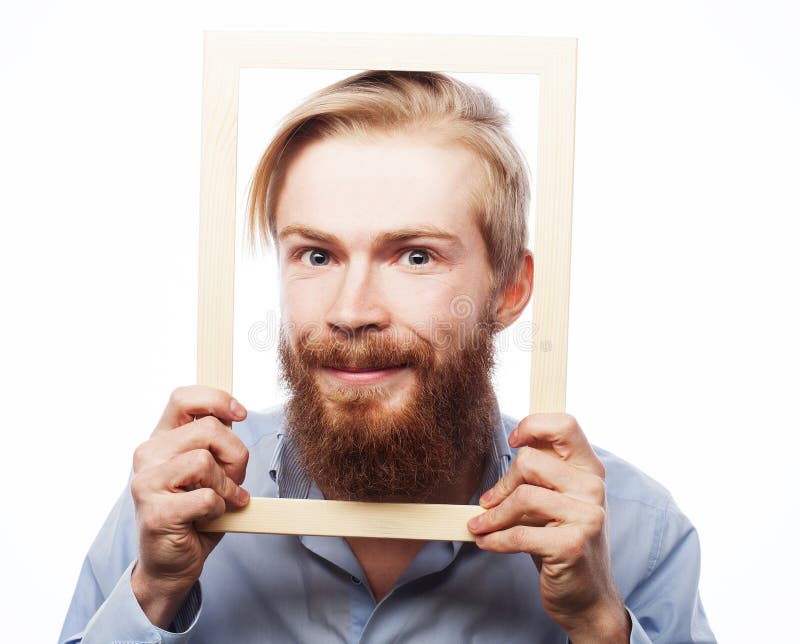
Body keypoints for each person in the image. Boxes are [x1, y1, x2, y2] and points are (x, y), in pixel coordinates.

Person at [59, 70, 715, 643]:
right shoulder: (173, 503)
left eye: (416, 255)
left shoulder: (636, 535)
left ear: (510, 288)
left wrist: (601, 626)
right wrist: (151, 592)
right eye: (317, 254)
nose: (352, 311)